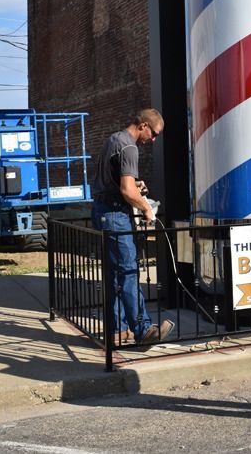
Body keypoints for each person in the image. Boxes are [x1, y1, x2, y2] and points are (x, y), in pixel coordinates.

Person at [91, 108, 174, 346]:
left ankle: (119, 330)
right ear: (143, 126)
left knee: (116, 274)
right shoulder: (129, 147)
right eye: (154, 133)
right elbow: (127, 191)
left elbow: (119, 183)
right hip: (115, 213)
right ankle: (143, 329)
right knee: (128, 272)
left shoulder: (114, 139)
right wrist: (146, 207)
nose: (154, 139)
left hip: (103, 210)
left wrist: (136, 187)